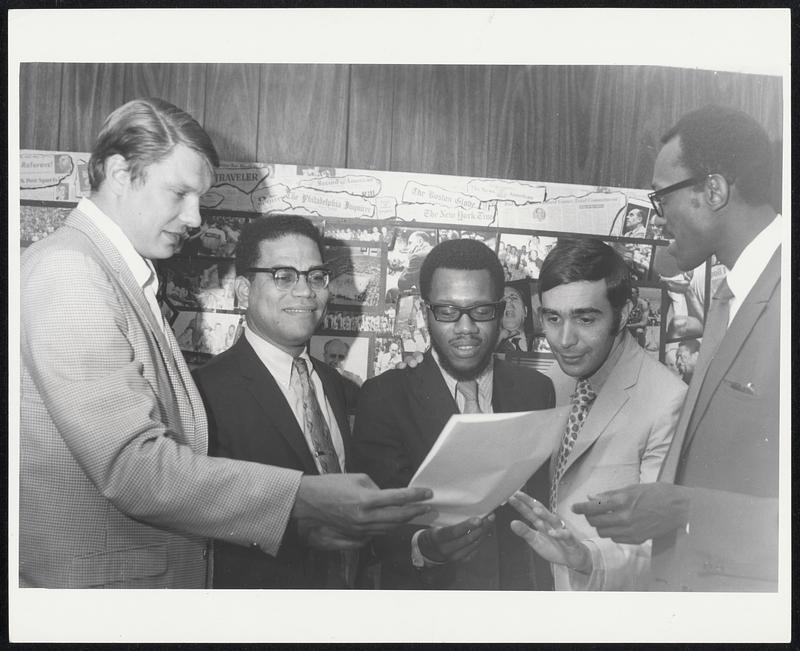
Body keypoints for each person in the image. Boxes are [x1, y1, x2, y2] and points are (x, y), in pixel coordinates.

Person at [19, 98, 432, 589]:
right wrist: (301, 498)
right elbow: (131, 468)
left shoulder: (104, 271)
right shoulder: (72, 271)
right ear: (118, 172)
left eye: (200, 199)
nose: (194, 219)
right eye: (179, 194)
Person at [572, 105, 781, 591]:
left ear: (714, 190)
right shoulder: (732, 295)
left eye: (662, 197)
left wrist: (684, 509)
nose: (657, 216)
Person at [353, 239, 556, 590]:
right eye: (447, 311)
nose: (465, 328)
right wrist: (424, 547)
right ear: (424, 310)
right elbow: (373, 526)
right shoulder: (384, 396)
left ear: (500, 307)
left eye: (481, 311)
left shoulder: (536, 391)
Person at [193, 216, 367, 588]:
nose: (305, 291)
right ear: (243, 291)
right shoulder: (205, 391)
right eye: (284, 276)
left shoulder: (333, 383)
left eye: (316, 276)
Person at [508, 239, 686, 590]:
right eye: (552, 318)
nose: (564, 339)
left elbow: (661, 542)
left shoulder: (669, 399)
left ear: (624, 313)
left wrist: (588, 559)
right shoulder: (549, 382)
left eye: (585, 318)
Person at [496, 282, 532, 352]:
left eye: (514, 297)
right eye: (502, 300)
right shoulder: (489, 348)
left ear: (525, 311)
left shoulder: (543, 341)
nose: (508, 301)